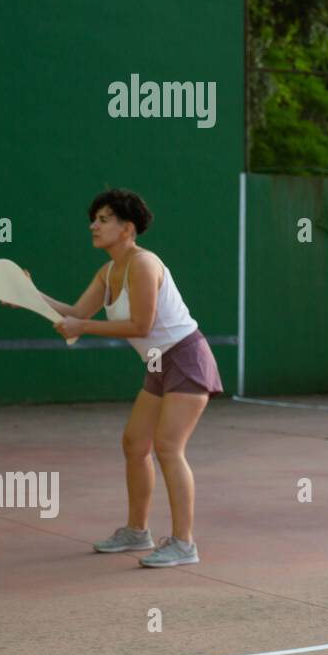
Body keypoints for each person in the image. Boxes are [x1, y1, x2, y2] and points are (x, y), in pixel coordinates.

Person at [34, 188, 222, 567]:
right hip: (156, 362)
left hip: (186, 356)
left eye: (104, 219)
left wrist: (82, 326)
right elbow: (74, 311)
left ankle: (184, 543)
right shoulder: (108, 271)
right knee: (135, 444)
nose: (94, 226)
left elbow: (141, 324)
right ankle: (137, 531)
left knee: (168, 447)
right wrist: (28, 293)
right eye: (94, 219)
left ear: (128, 228)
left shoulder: (144, 264)